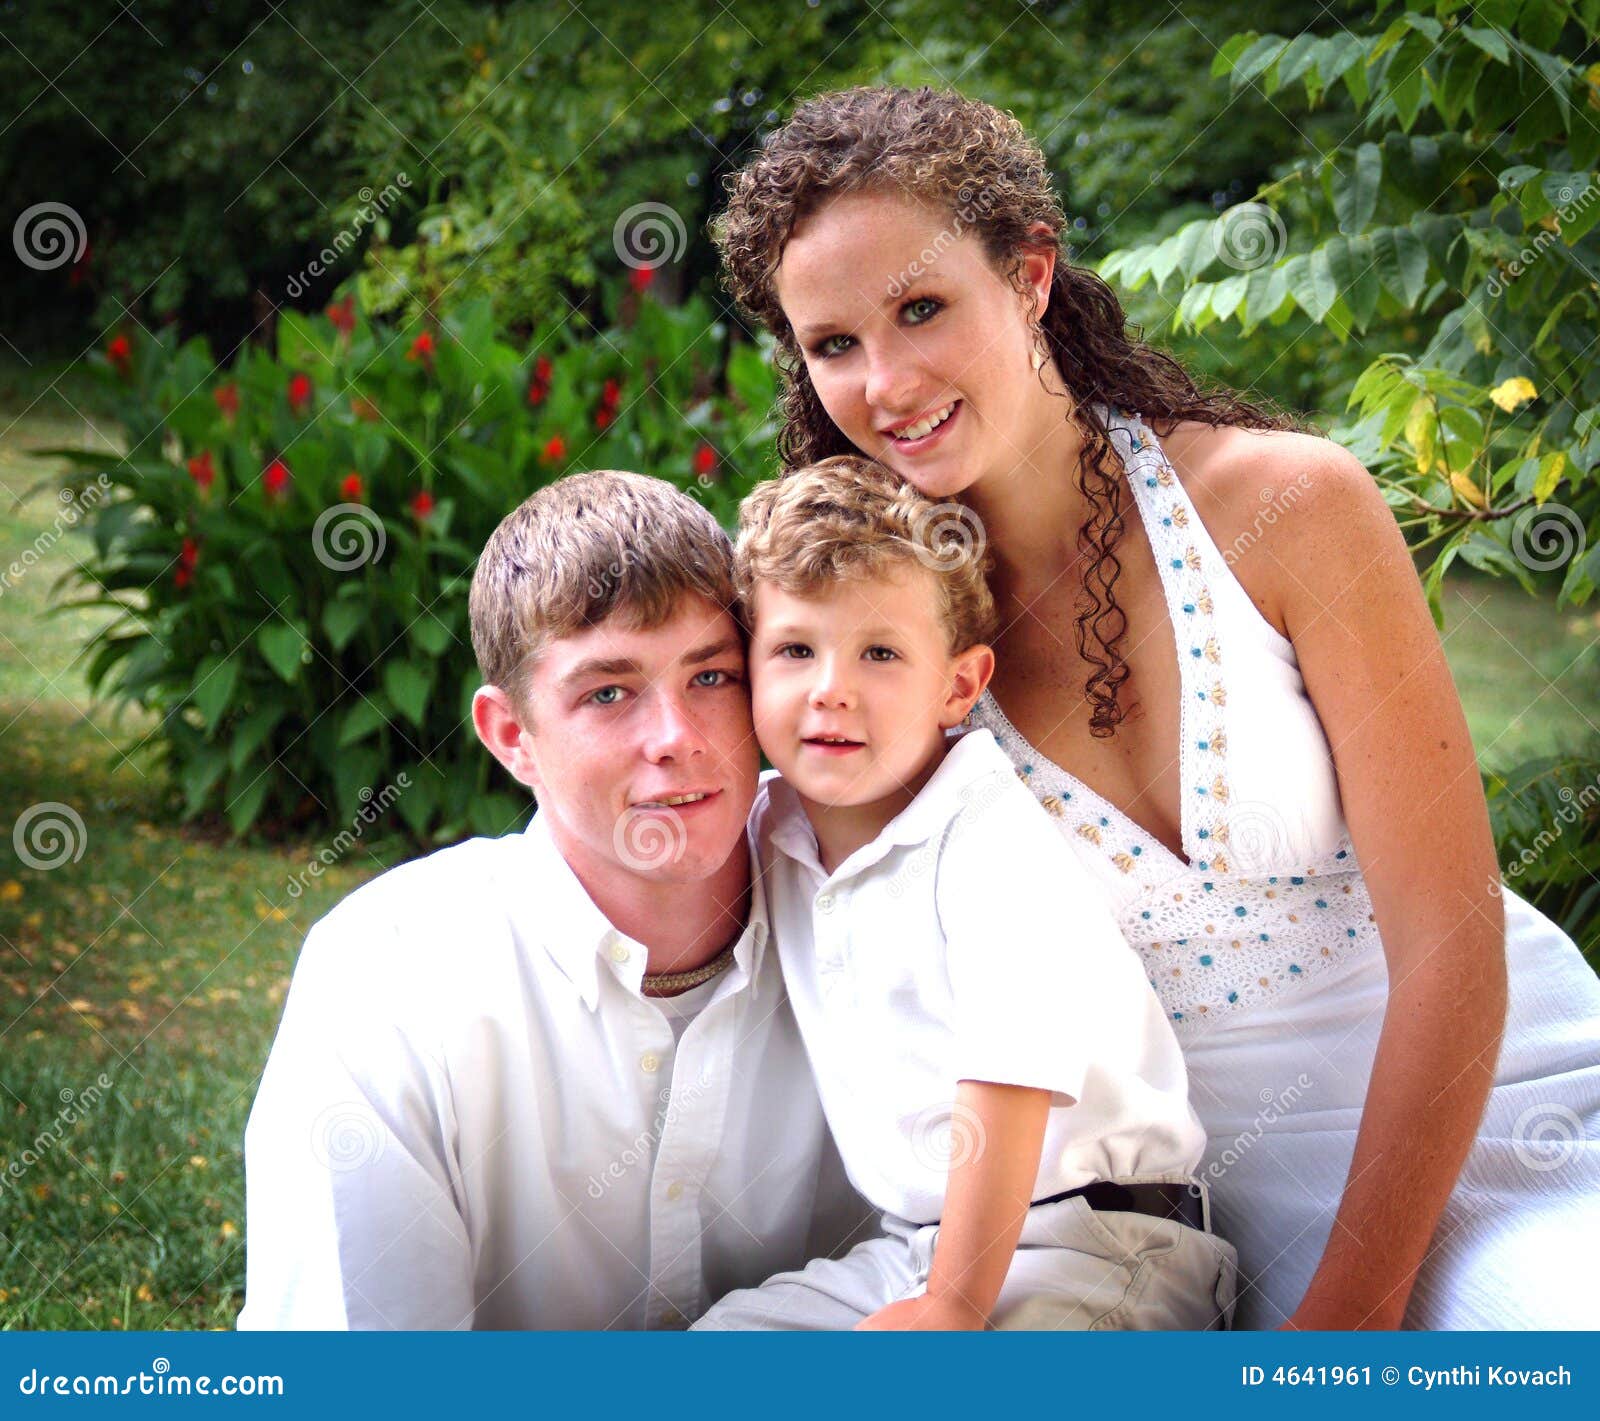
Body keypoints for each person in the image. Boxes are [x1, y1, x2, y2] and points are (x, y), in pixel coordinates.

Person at [711, 84, 1600, 1330]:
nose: (887, 379)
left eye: (921, 308)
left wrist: (1342, 1327)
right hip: (1180, 1229)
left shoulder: (1286, 507)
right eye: (833, 343)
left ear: (1028, 276)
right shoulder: (875, 657)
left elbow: (1454, 949)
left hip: (1506, 1127)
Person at [237, 470, 868, 1330]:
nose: (675, 739)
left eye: (711, 677)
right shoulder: (384, 977)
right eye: (608, 693)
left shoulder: (876, 901)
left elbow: (984, 1261)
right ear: (511, 736)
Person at [696, 455, 1236, 1331]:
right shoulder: (770, 830)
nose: (831, 686)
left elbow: (1011, 1077)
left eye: (879, 652)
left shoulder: (984, 836)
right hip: (918, 1248)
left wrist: (953, 1305)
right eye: (796, 648)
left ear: (959, 685)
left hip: (1104, 1247)